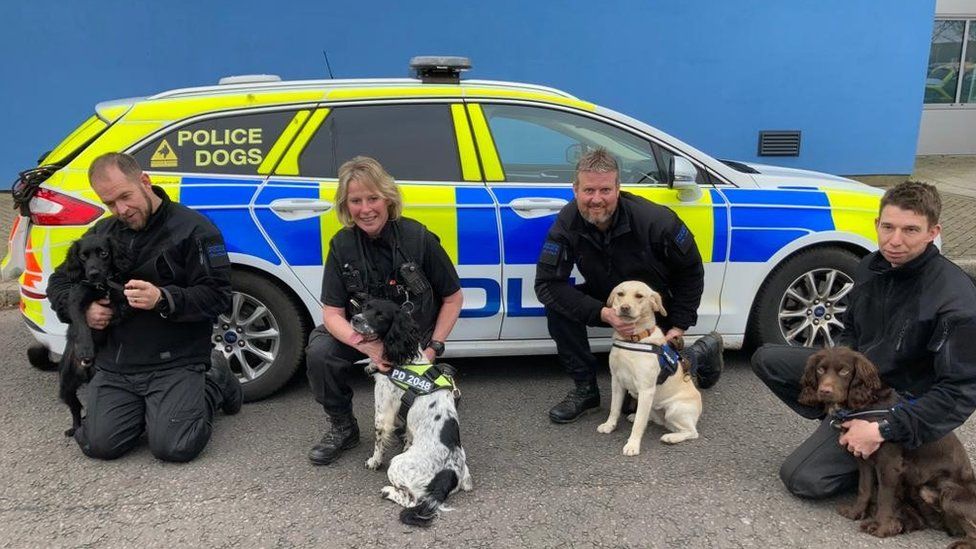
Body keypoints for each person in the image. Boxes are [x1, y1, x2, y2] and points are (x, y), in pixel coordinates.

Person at [752, 180, 976, 498]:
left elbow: (959, 393)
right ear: (877, 224)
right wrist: (841, 379)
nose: (894, 241)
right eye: (888, 227)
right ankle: (843, 419)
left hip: (899, 403)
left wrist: (884, 428)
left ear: (933, 232)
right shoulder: (872, 265)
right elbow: (850, 331)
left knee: (802, 479)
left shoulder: (957, 301)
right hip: (859, 382)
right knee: (767, 359)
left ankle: (875, 447)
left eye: (910, 230)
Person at [47, 152, 241, 462]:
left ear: (145, 181)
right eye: (110, 203)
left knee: (174, 447)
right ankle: (148, 410)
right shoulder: (102, 233)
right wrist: (84, 312)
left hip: (175, 358)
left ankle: (215, 380)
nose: (121, 210)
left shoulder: (195, 229)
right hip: (118, 362)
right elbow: (59, 283)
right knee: (98, 445)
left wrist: (164, 298)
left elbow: (218, 296)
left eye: (125, 196)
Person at [534, 147, 724, 424]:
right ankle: (585, 389)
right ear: (575, 190)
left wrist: (678, 326)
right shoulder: (567, 222)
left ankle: (698, 354)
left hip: (654, 306)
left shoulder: (656, 221)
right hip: (610, 299)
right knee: (558, 307)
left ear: (618, 188)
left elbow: (691, 272)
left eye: (605, 190)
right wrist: (604, 312)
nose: (596, 199)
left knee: (643, 397)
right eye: (588, 191)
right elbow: (547, 284)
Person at [305, 156, 463, 466]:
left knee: (412, 423)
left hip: (413, 338)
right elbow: (332, 313)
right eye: (356, 201)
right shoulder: (342, 246)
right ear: (345, 205)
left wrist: (433, 348)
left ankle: (437, 380)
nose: (366, 209)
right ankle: (342, 427)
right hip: (366, 333)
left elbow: (453, 298)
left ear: (388, 198)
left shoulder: (418, 238)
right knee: (320, 352)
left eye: (373, 198)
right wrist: (370, 347)